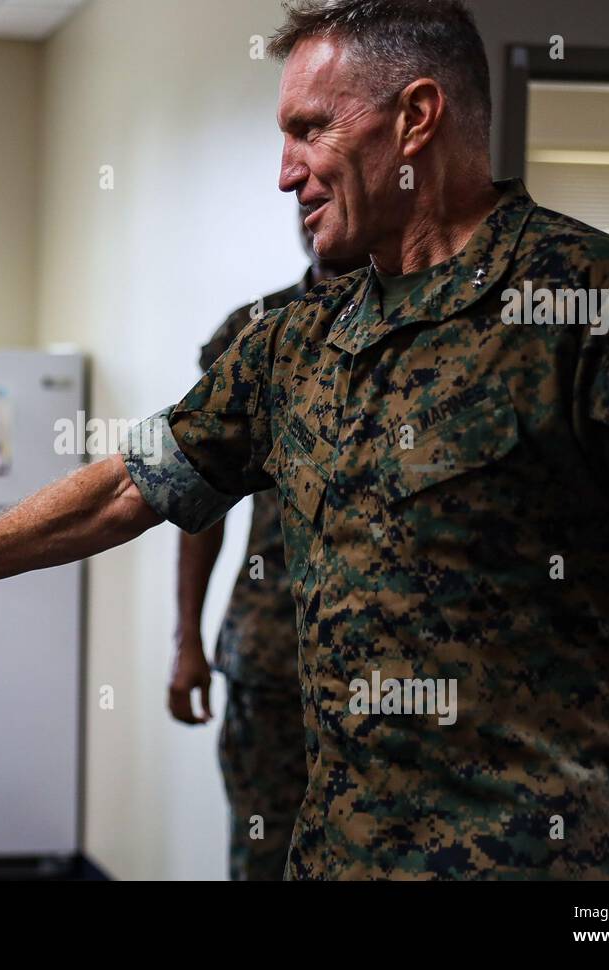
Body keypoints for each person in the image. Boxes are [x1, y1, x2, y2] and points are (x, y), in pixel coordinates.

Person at [0, 0, 609, 880]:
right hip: (340, 852)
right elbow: (131, 487)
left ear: (416, 118)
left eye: (310, 130)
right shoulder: (293, 343)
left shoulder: (608, 311)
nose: (285, 173)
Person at [169, 224, 363, 880]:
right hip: (274, 652)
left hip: (392, 668)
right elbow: (199, 500)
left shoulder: (428, 325)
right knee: (265, 853)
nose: (309, 206)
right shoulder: (255, 331)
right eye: (301, 204)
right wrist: (187, 641)